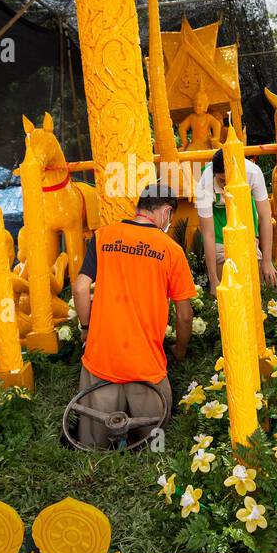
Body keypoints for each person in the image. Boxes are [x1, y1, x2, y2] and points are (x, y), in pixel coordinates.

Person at [71, 181, 196, 448]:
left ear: (139, 208)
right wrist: (181, 350)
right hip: (146, 368)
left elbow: (81, 288)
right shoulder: (171, 250)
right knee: (154, 450)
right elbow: (184, 315)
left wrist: (86, 328)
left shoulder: (104, 236)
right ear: (165, 212)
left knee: (92, 452)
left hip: (101, 364)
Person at [195, 147, 277, 289]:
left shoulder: (253, 173)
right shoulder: (204, 184)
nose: (227, 185)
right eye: (222, 181)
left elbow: (264, 216)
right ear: (214, 175)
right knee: (228, 282)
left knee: (256, 280)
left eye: (230, 179)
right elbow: (208, 234)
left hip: (244, 222)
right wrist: (213, 279)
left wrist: (267, 260)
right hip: (219, 230)